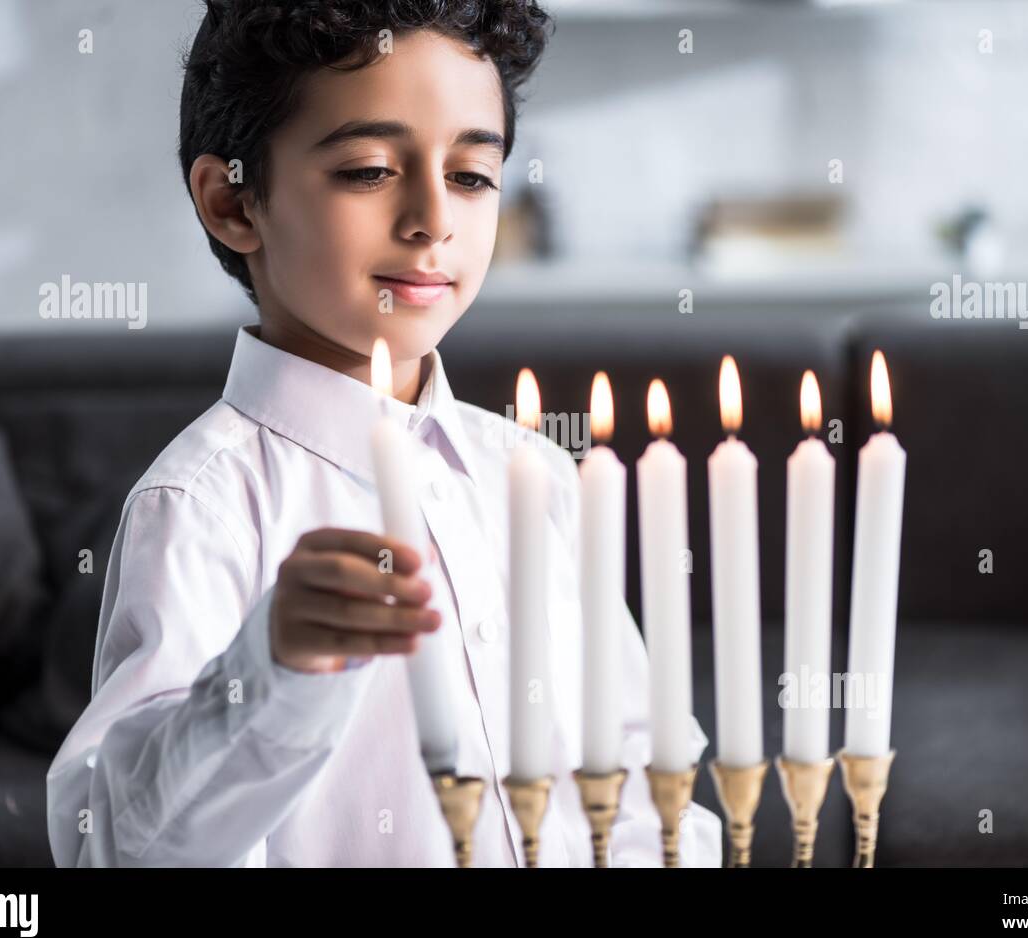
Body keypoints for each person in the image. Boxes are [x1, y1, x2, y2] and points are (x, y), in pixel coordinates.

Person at [46, 0, 720, 867]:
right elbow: (117, 840)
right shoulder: (204, 504)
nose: (433, 218)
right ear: (233, 202)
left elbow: (635, 773)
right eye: (368, 169)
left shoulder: (537, 474)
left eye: (472, 175)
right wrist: (274, 667)